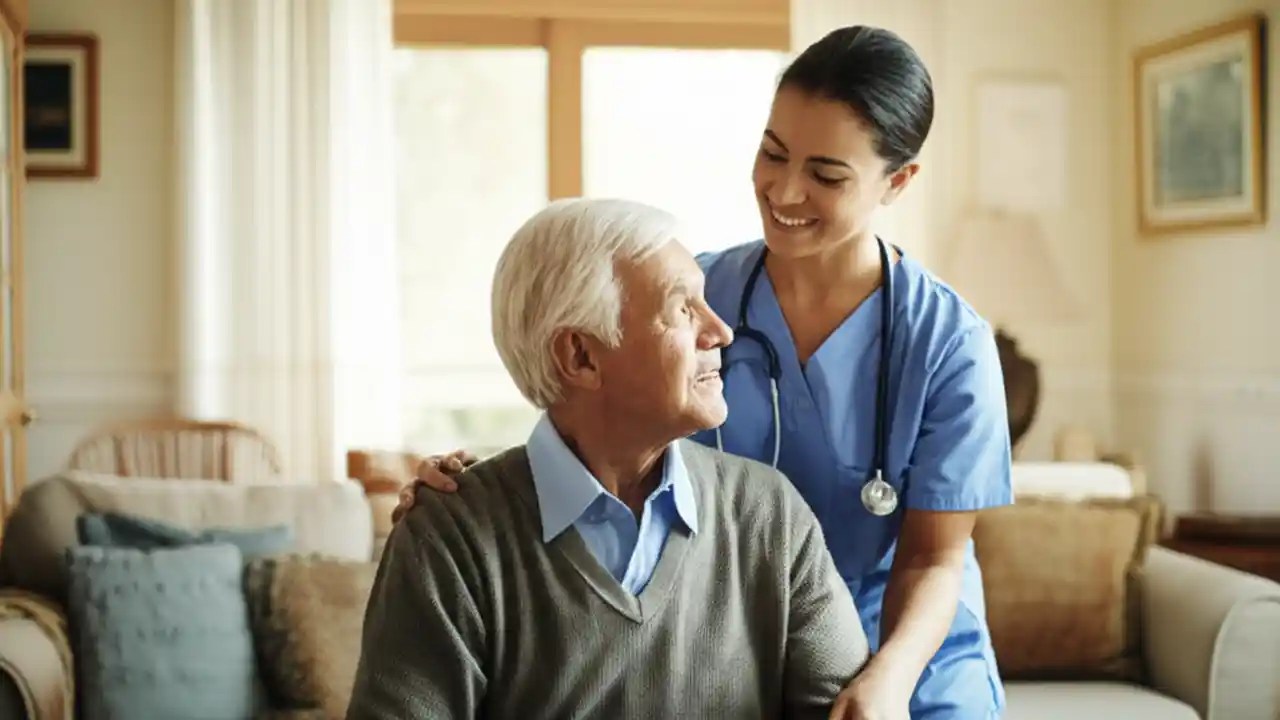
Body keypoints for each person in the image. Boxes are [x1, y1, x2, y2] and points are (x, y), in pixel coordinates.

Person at [402, 26, 1013, 720]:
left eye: (826, 174)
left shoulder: (948, 345)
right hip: (743, 635)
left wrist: (888, 680)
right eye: (772, 153)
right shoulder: (699, 290)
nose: (784, 189)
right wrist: (469, 495)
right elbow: (594, 415)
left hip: (904, 650)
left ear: (897, 181)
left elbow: (934, 561)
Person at [347, 198, 870, 720]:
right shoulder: (450, 537)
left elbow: (848, 709)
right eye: (681, 310)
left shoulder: (770, 514)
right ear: (580, 356)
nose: (720, 333)